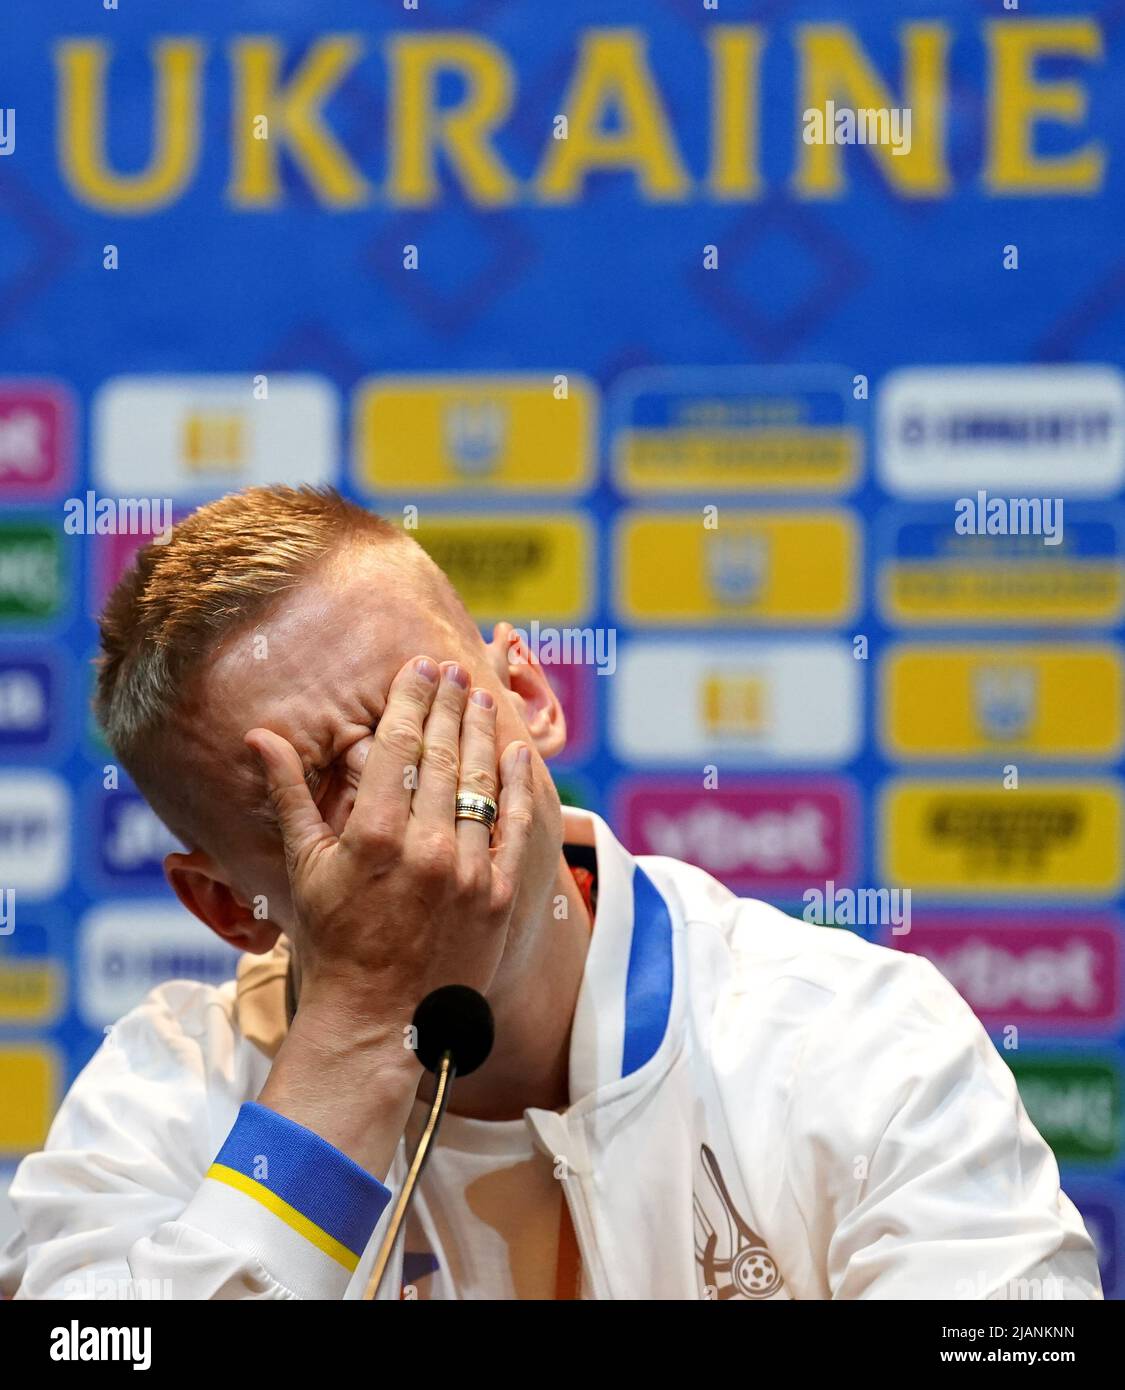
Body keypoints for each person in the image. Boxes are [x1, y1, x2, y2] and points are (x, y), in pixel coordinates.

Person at [0, 485, 1101, 1300]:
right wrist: (362, 1022)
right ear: (229, 905)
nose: (407, 801)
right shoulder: (160, 1098)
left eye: (420, 717)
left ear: (526, 695)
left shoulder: (858, 1041)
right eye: (324, 789)